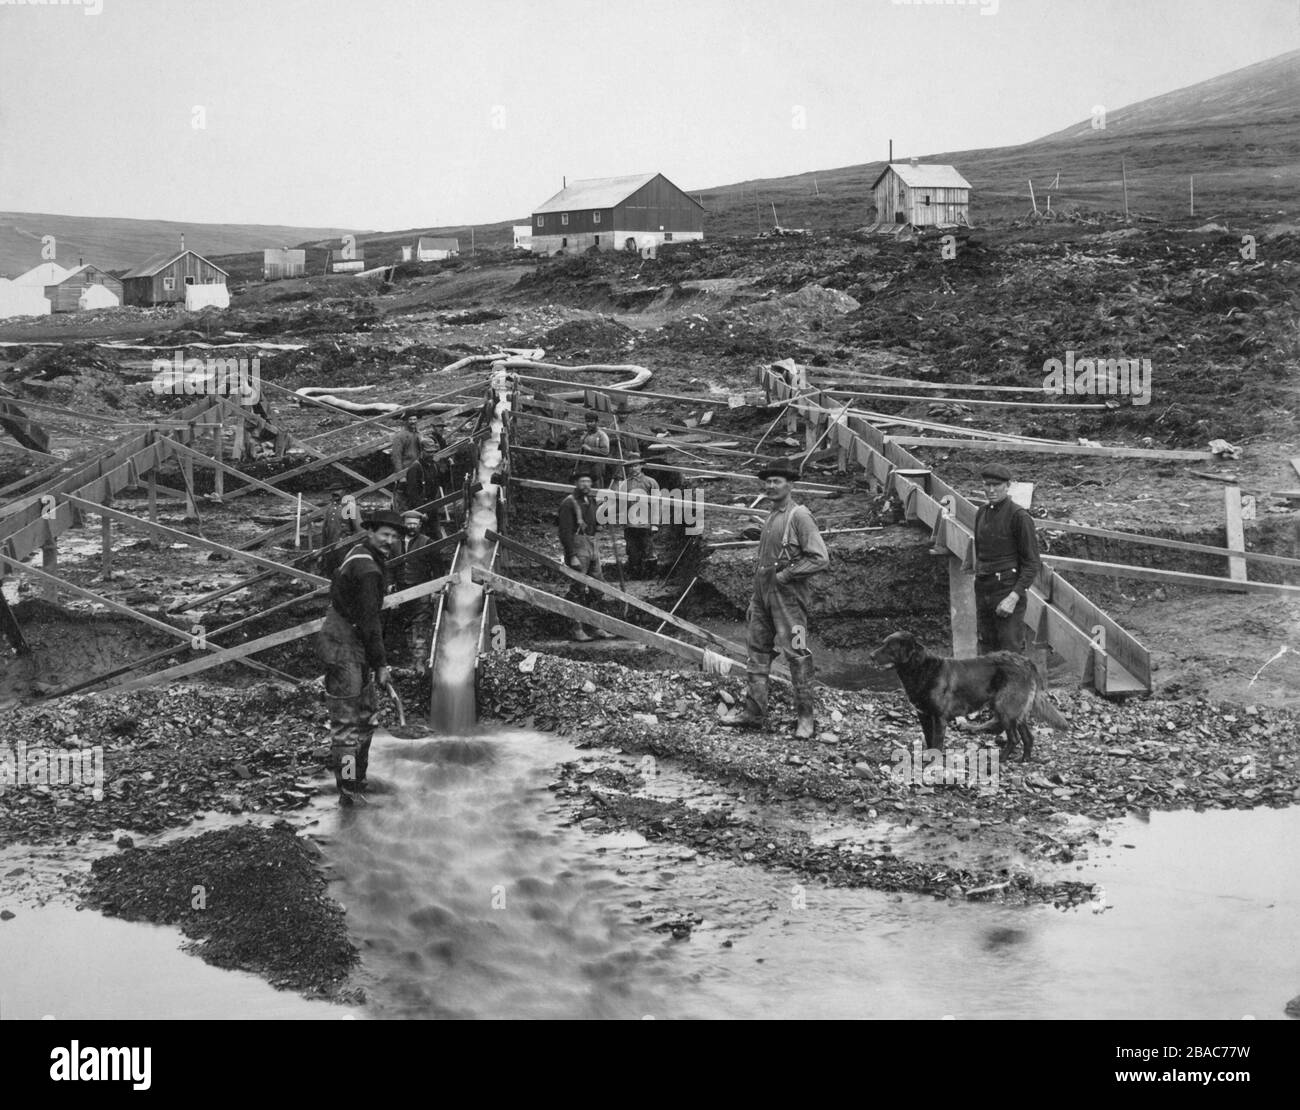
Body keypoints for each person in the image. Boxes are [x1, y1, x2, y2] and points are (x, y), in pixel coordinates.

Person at [721, 463, 830, 740]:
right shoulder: (770, 517)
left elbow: (820, 558)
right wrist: (755, 600)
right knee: (757, 651)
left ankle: (806, 719)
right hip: (763, 599)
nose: (770, 486)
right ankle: (754, 713)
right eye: (767, 481)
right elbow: (763, 563)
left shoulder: (799, 515)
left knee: (797, 653)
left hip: (789, 601)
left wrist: (786, 575)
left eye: (777, 481)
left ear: (790, 485)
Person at [315, 508, 402, 804]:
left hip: (352, 639)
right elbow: (369, 621)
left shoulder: (361, 553)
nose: (389, 540)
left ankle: (358, 780)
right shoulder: (368, 570)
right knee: (347, 723)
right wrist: (381, 665)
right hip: (343, 644)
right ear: (370, 532)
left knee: (366, 717)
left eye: (394, 536)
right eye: (384, 534)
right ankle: (348, 791)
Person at [972, 462, 1041, 655]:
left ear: (1007, 486)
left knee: (1009, 650)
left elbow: (1032, 563)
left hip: (1006, 588)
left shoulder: (1019, 516)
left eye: (997, 486)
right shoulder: (982, 513)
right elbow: (980, 550)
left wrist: (1014, 596)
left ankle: (1019, 685)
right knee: (986, 648)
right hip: (984, 588)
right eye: (987, 485)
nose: (991, 490)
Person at [558, 474, 616, 642]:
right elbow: (564, 532)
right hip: (578, 548)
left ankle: (596, 626)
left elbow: (593, 522)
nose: (586, 484)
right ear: (575, 483)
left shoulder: (590, 500)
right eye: (582, 481)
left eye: (588, 481)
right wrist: (571, 556)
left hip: (592, 546)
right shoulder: (569, 503)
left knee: (598, 588)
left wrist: (598, 524)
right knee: (578, 589)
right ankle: (577, 629)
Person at [388, 509, 443, 673]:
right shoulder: (395, 543)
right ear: (403, 525)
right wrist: (390, 583)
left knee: (420, 624)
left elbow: (438, 567)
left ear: (420, 525)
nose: (412, 527)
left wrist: (435, 589)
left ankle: (419, 661)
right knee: (405, 623)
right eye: (408, 524)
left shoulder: (427, 542)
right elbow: (390, 565)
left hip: (421, 590)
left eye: (415, 524)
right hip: (402, 591)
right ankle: (407, 660)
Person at [615, 456, 659, 578]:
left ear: (641, 466)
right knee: (632, 550)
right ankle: (635, 574)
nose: (633, 469)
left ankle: (649, 575)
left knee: (647, 549)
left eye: (636, 465)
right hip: (630, 524)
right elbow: (621, 505)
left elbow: (656, 504)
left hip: (646, 523)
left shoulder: (651, 482)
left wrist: (655, 524)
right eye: (631, 466)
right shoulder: (624, 484)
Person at [390, 414, 423, 511]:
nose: (413, 421)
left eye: (415, 419)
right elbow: (396, 456)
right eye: (410, 419)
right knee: (403, 500)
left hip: (417, 472)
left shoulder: (418, 434)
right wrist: (401, 476)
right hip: (405, 471)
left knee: (416, 498)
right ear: (406, 421)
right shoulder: (400, 436)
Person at [575, 411, 611, 486]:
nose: (589, 424)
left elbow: (606, 451)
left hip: (597, 467)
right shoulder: (586, 434)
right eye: (587, 422)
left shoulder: (602, 435)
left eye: (591, 422)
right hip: (585, 466)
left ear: (597, 422)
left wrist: (591, 449)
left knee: (597, 489)